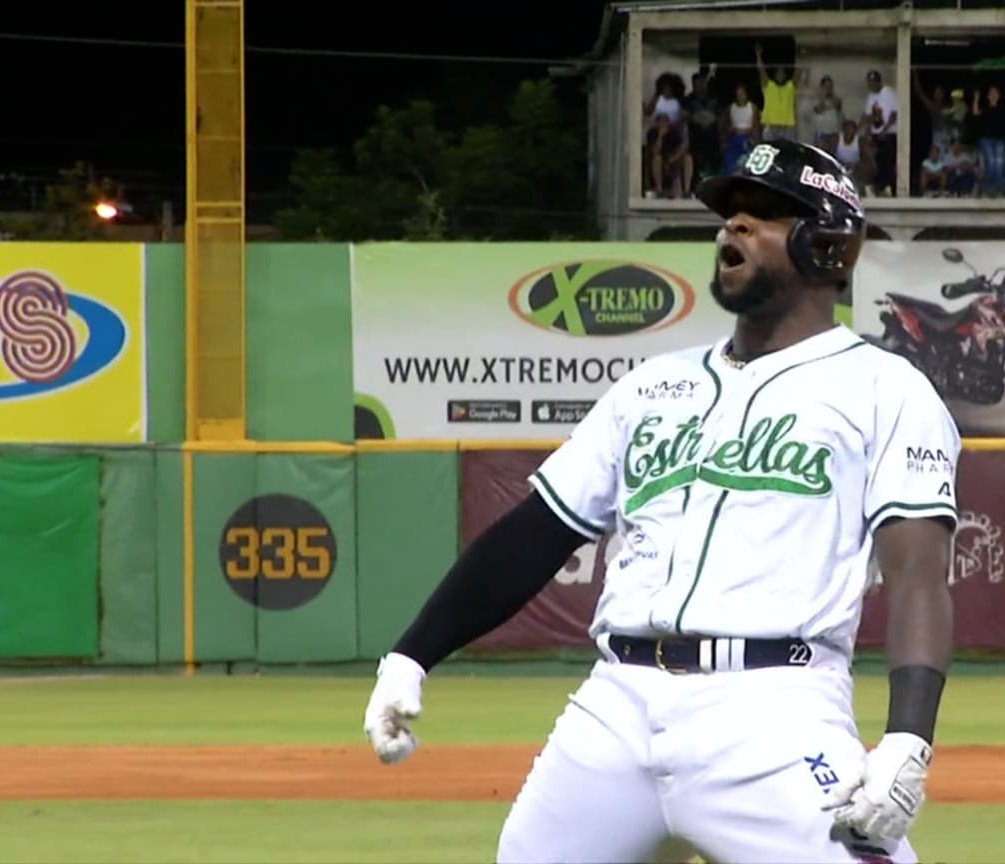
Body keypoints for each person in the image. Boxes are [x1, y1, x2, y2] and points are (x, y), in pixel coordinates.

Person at [362, 139, 961, 864]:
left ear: (828, 244)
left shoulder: (885, 390)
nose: (733, 228)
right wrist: (411, 655)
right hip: (615, 706)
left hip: (772, 709)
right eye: (731, 215)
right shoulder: (650, 387)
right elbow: (535, 534)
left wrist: (907, 738)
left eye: (765, 215)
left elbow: (918, 575)